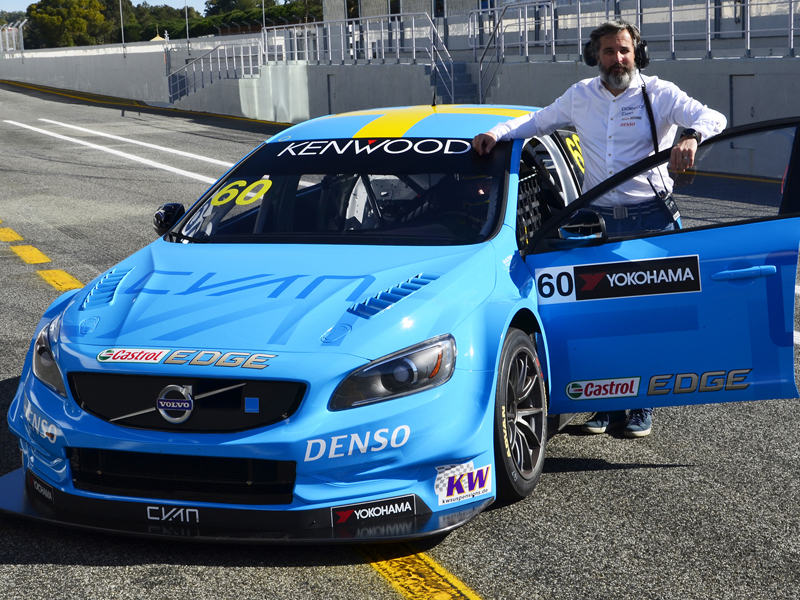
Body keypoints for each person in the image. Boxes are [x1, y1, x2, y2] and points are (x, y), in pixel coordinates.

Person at [472, 19, 727, 438]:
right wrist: (494, 134)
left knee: (646, 318)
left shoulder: (659, 93)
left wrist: (691, 136)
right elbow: (534, 123)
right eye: (609, 51)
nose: (617, 59)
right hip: (597, 223)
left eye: (624, 50)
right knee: (602, 317)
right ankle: (606, 407)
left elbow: (712, 116)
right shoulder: (580, 97)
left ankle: (642, 406)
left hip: (651, 220)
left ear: (637, 52)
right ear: (596, 56)